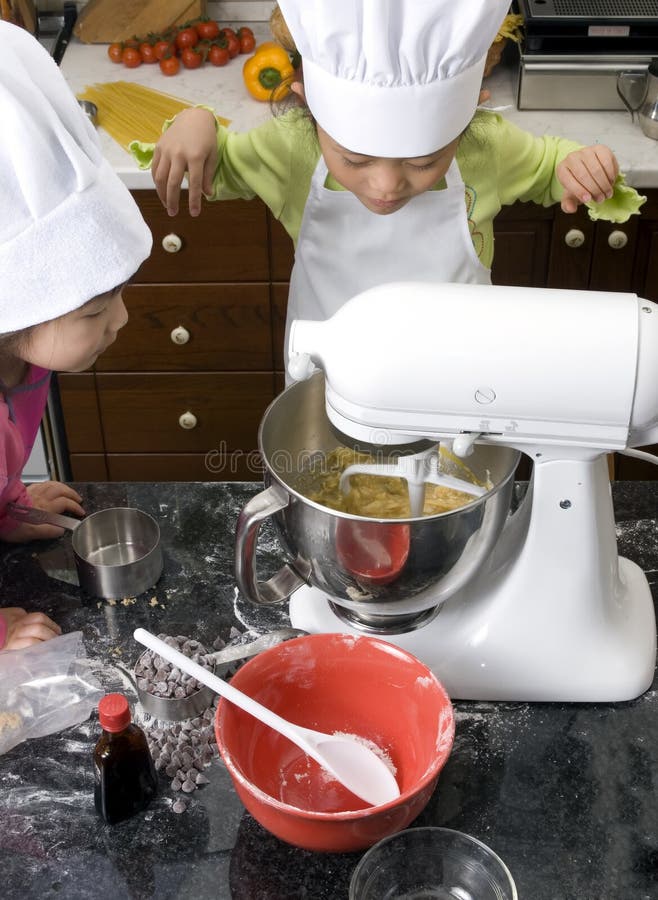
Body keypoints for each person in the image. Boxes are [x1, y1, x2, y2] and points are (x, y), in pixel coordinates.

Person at [136, 0, 643, 370]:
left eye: (424, 163)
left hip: (460, 383)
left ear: (472, 110)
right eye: (353, 159)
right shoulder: (290, 148)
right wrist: (195, 122)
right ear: (307, 106)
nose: (385, 186)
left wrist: (582, 165)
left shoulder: (486, 147)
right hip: (329, 389)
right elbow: (211, 164)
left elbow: (552, 165)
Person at [0, 21, 153, 651]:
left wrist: (8, 502)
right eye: (93, 312)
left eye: (116, 294)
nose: (119, 320)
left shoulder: (26, 363)